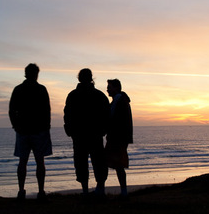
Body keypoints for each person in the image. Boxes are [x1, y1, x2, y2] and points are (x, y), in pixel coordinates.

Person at [9, 63, 53, 201]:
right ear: (36, 74)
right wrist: (46, 127)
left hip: (23, 130)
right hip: (38, 130)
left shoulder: (18, 89)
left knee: (23, 162)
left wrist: (16, 125)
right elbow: (47, 110)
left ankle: (21, 191)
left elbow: (11, 110)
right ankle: (40, 191)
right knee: (40, 162)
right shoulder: (41, 89)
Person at [63, 68, 110, 197]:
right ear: (91, 78)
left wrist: (69, 130)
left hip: (82, 135)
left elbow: (67, 115)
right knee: (96, 162)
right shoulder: (98, 95)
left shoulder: (73, 95)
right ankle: (99, 189)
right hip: (91, 135)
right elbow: (107, 114)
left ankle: (87, 190)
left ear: (79, 78)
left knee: (82, 163)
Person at [105, 79, 133, 199]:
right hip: (119, 137)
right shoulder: (121, 100)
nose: (107, 89)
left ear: (116, 88)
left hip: (117, 137)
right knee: (117, 164)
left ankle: (123, 191)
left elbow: (112, 118)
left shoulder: (119, 100)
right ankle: (123, 191)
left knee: (116, 164)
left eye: (109, 87)